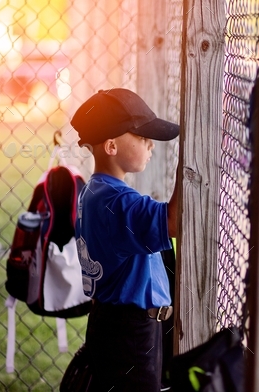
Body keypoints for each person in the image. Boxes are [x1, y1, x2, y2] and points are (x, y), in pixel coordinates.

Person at [70, 88, 179, 391]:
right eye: (143, 137)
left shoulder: (95, 192)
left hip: (116, 325)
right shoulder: (115, 202)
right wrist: (193, 160)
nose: (150, 146)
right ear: (111, 146)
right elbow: (173, 221)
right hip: (130, 334)